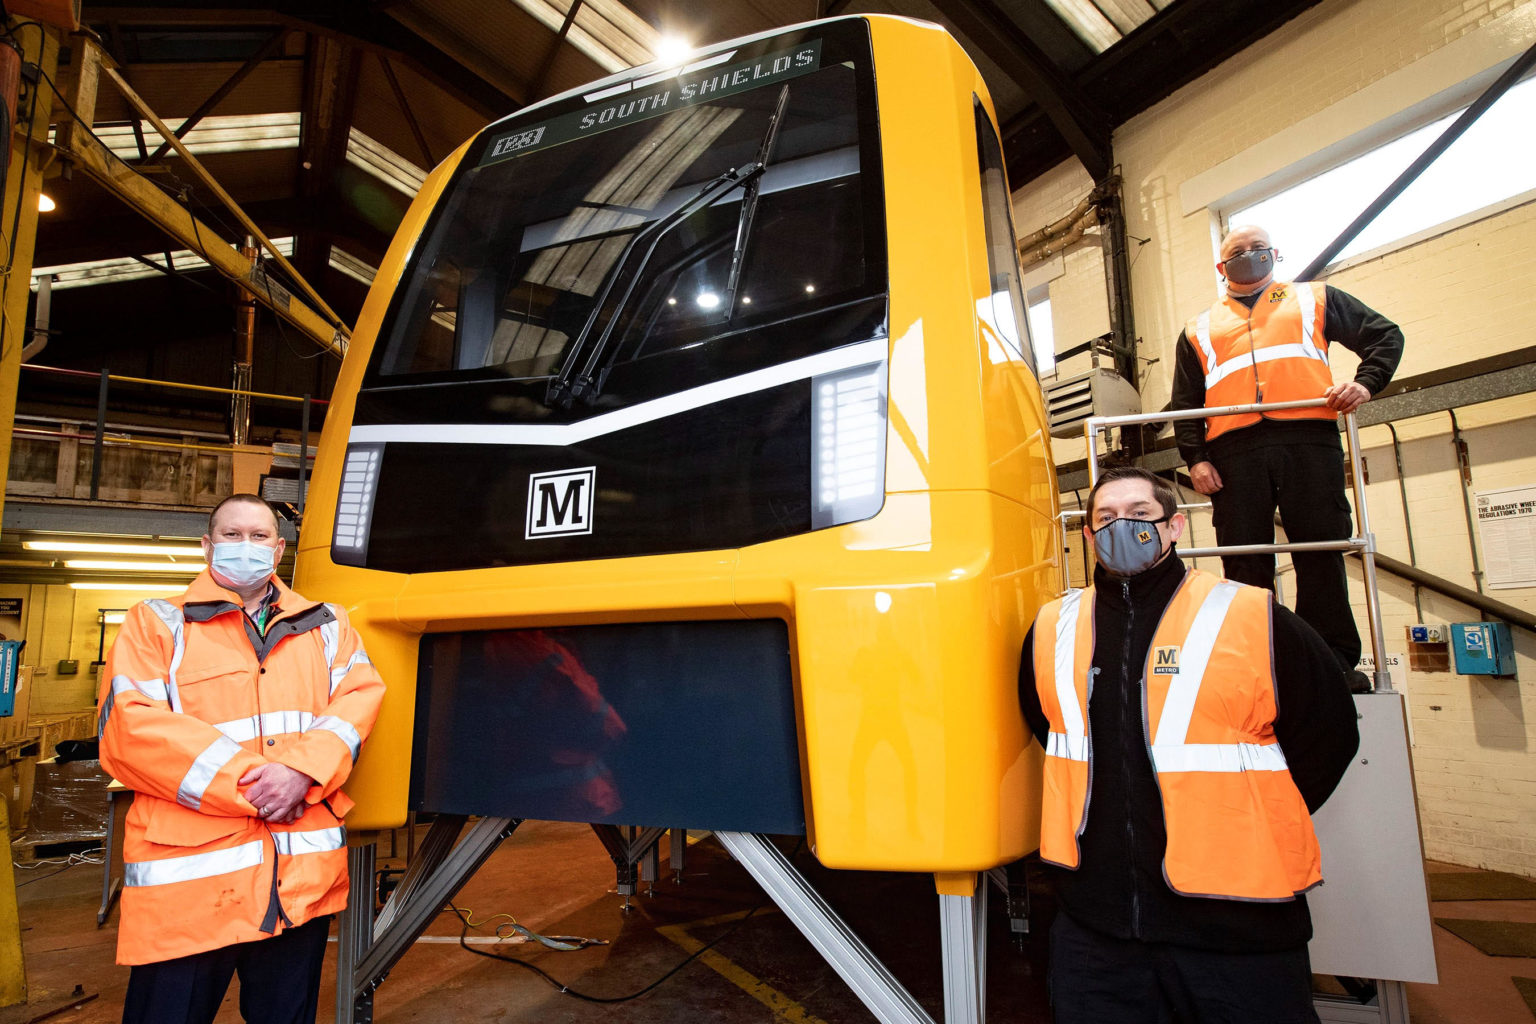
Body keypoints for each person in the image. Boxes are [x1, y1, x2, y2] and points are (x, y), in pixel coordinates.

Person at [1019, 467, 1359, 1023]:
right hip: (1097, 927)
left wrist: (1252, 812)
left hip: (1236, 926)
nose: (1119, 528)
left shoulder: (1248, 614)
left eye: (1139, 515)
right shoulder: (1054, 626)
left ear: (1174, 527)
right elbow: (1050, 727)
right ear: (1087, 534)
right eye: (1104, 518)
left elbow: (1330, 732)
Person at [97, 494, 385, 1024]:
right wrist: (254, 786)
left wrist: (301, 771)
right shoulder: (157, 624)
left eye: (258, 537)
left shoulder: (327, 626)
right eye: (232, 536)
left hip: (296, 886)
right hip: (191, 889)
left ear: (278, 550)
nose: (245, 547)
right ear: (207, 546)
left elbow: (357, 702)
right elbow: (129, 730)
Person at [1171, 224, 1403, 680]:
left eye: (1259, 248)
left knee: (1320, 549)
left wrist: (1365, 383)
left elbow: (1385, 336)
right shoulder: (1197, 328)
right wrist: (1194, 458)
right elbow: (1185, 400)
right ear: (1222, 267)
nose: (1250, 255)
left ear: (1274, 254)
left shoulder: (1315, 299)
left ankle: (1330, 664)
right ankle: (1254, 662)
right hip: (1232, 453)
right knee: (1244, 558)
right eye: (1239, 251)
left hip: (1309, 440)